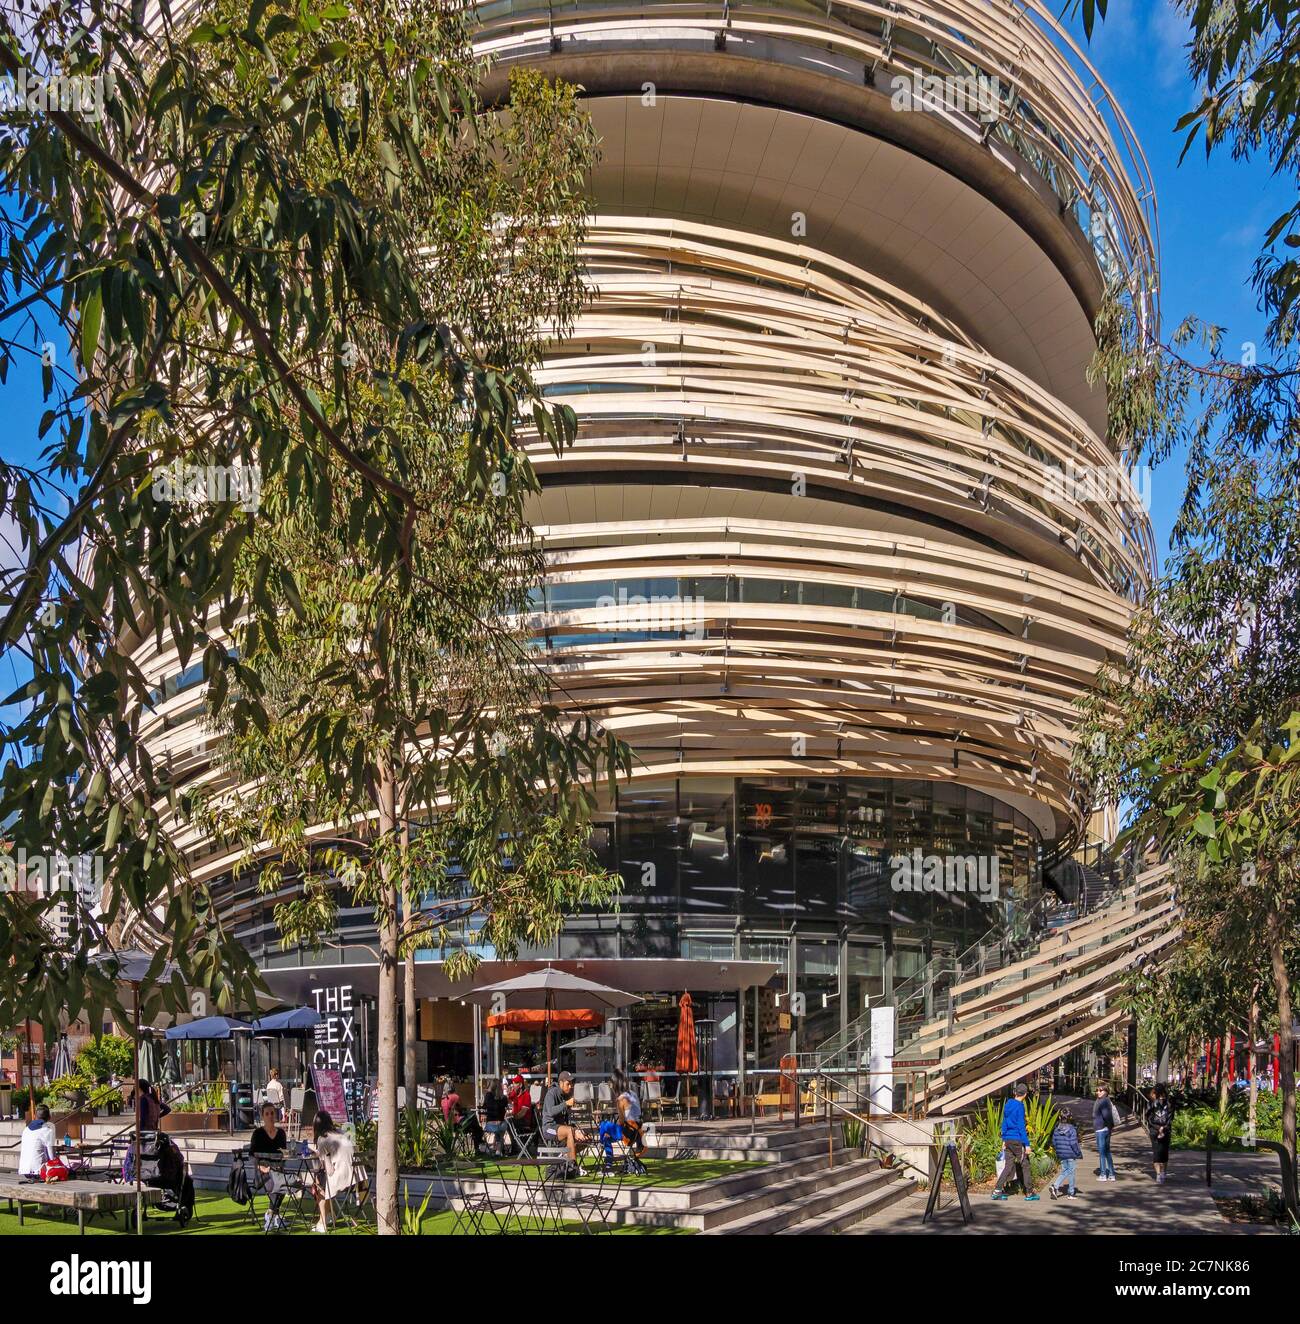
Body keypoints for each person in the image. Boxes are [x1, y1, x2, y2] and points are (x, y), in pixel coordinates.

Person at [309, 1111, 356, 1234]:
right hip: (356, 1180)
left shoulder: (322, 1139)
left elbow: (330, 1171)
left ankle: (323, 1222)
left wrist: (321, 1156)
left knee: (318, 1184)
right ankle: (329, 1215)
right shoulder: (342, 1133)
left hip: (341, 1180)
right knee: (322, 1180)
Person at [991, 1083, 1038, 1200]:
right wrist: (1026, 1144)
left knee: (1008, 1165)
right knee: (1025, 1165)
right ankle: (1029, 1192)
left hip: (1008, 1139)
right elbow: (1021, 1126)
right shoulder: (1020, 1106)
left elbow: (1004, 1122)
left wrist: (1004, 1140)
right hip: (1017, 1140)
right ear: (1025, 1094)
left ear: (1015, 1092)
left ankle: (997, 1190)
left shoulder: (1008, 1104)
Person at [250, 1100, 290, 1231]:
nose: (270, 1116)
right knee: (275, 1183)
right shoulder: (258, 1134)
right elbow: (251, 1156)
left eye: (272, 1113)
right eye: (267, 1114)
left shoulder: (281, 1133)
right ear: (262, 1116)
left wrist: (282, 1161)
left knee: (285, 1182)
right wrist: (261, 1167)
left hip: (277, 1169)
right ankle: (274, 1215)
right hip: (262, 1172)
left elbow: (283, 1154)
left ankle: (271, 1213)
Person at [540, 1071, 588, 1173]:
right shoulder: (552, 1093)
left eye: (572, 1083)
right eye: (568, 1083)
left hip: (561, 1128)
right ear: (561, 1083)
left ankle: (562, 1156)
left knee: (586, 1138)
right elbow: (551, 1111)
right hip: (549, 1129)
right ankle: (573, 1166)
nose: (570, 1086)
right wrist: (566, 1103)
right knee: (570, 1131)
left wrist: (577, 1130)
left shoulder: (565, 1095)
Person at [1048, 1112, 1084, 1200]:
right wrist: (1078, 1153)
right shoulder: (1071, 1129)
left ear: (1060, 1117)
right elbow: (1073, 1143)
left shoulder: (1056, 1129)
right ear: (1070, 1118)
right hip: (1070, 1153)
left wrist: (1058, 1151)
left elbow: (1054, 1142)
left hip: (1061, 1154)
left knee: (1067, 1171)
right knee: (1070, 1170)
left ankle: (1071, 1192)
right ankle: (1055, 1186)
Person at [18, 1103, 56, 1181]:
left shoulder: (26, 1129)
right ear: (49, 1117)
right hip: (38, 1171)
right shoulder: (47, 1130)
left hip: (24, 1170)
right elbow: (51, 1157)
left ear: (35, 1116)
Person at [1147, 1083, 1175, 1183]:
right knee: (1158, 1152)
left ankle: (1162, 1173)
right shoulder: (1152, 1103)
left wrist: (1163, 1127)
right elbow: (1149, 1118)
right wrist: (1160, 1127)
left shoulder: (1168, 1103)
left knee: (1162, 1153)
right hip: (1156, 1130)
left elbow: (1170, 1117)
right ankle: (1159, 1174)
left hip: (1163, 1130)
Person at [1093, 1082, 1117, 1182]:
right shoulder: (1103, 1100)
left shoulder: (1103, 1101)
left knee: (1102, 1152)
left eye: (1100, 1090)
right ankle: (1111, 1174)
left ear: (1106, 1091)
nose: (1098, 1092)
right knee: (1107, 1152)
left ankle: (1103, 1174)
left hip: (1101, 1129)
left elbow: (1106, 1116)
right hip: (1104, 1129)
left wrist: (1109, 1127)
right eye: (1097, 1090)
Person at [481, 1080, 508, 1156]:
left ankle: (491, 1148)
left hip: (490, 1125)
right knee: (500, 1131)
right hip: (501, 1124)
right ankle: (498, 1150)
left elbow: (484, 1106)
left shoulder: (488, 1095)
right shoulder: (504, 1098)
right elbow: (506, 1107)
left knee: (496, 1130)